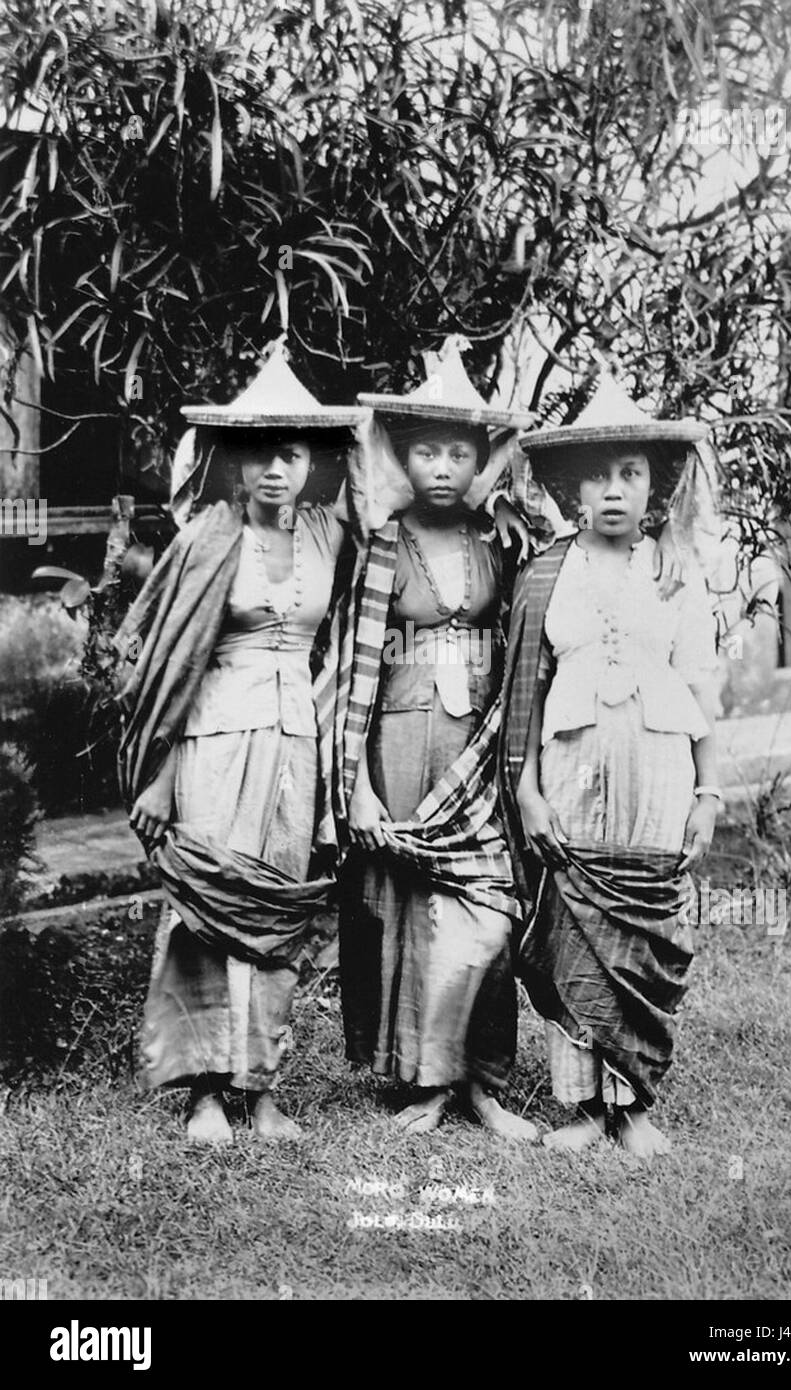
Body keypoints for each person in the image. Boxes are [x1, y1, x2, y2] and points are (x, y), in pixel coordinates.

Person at [115, 341, 397, 1144]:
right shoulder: (206, 540)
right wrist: (162, 776)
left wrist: (359, 423)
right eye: (257, 453)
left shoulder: (329, 535)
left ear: (314, 462)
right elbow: (164, 663)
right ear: (230, 464)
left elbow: (388, 479)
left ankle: (261, 1087)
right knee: (207, 905)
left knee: (277, 909)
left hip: (293, 741)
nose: (275, 468)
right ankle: (205, 1089)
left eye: (292, 451)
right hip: (210, 736)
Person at [499, 372, 722, 1160]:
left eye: (630, 474)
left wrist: (709, 790)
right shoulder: (546, 576)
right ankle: (585, 1107)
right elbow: (522, 695)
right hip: (572, 772)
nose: (615, 491)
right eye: (598, 477)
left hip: (658, 769)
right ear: (572, 490)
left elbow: (702, 683)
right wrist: (526, 789)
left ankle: (634, 1107)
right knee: (577, 930)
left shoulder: (675, 571)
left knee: (646, 928)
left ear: (653, 485)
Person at [336, 341, 544, 1139]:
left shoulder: (502, 542)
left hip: (479, 744)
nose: (444, 467)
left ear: (483, 459)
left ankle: (483, 1082)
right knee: (413, 904)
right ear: (403, 456)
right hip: (398, 738)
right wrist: (353, 780)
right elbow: (353, 670)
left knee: (485, 897)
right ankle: (425, 1081)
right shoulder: (382, 543)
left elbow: (529, 641)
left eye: (461, 452)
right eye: (427, 451)